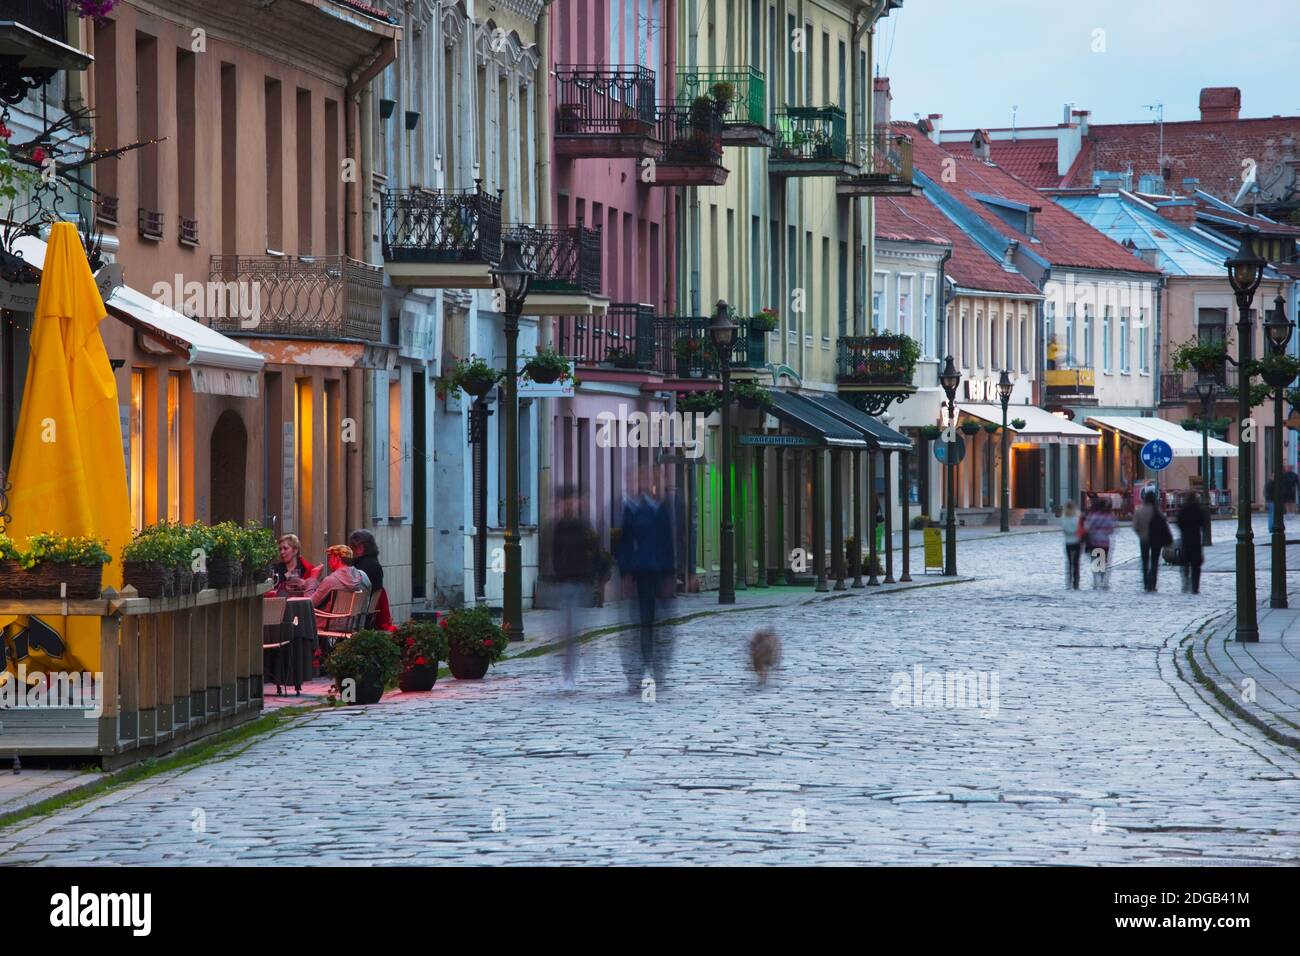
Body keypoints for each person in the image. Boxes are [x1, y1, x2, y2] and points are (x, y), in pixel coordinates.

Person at [615, 467, 676, 692]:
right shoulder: (633, 510)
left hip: (660, 573)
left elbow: (669, 544)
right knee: (642, 623)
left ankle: (659, 669)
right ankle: (638, 672)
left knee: (660, 625)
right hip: (641, 573)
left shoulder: (662, 510)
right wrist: (625, 573)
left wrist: (671, 575)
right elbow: (624, 544)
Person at [548, 485, 597, 691]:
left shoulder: (583, 525)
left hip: (579, 583)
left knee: (572, 631)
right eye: (566, 500)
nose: (569, 504)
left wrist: (591, 577)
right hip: (563, 584)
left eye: (572, 500)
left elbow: (593, 552)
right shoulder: (557, 526)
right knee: (566, 632)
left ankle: (570, 672)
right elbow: (552, 553)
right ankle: (566, 672)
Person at [348, 529, 393, 630]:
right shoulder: (375, 564)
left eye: (352, 548)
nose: (351, 552)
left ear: (360, 547)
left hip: (356, 617)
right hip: (369, 615)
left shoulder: (359, 567)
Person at [309, 544, 370, 610]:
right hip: (359, 619)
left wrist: (313, 578)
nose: (329, 562)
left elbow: (309, 604)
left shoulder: (331, 580)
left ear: (337, 559)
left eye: (330, 558)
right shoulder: (364, 576)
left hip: (331, 619)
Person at [1133, 490, 1172, 592]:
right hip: (1156, 540)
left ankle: (1146, 583)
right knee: (1154, 562)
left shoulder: (1139, 511)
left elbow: (1135, 526)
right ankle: (1153, 583)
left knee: (1145, 562)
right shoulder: (1157, 511)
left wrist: (1141, 534)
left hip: (1144, 539)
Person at [1177, 492, 1208, 594]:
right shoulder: (1198, 509)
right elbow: (1204, 524)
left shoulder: (1183, 509)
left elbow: (1179, 523)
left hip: (1185, 539)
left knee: (1185, 563)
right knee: (1196, 566)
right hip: (1196, 540)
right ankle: (1195, 587)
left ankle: (1185, 582)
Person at [269, 534, 318, 598]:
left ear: (295, 550)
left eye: (285, 548)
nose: (282, 552)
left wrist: (304, 584)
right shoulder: (275, 569)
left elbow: (314, 591)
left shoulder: (307, 569)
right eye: (280, 549)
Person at [1083, 497, 1116, 590]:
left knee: (1095, 560)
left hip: (1094, 541)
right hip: (1105, 542)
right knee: (1103, 560)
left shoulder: (1093, 516)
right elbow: (1111, 530)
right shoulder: (1108, 516)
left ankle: (1095, 579)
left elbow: (1088, 528)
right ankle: (1102, 578)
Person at [1060, 500, 1083, 589]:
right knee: (1076, 563)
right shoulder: (1077, 518)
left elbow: (1064, 529)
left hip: (1068, 542)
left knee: (1069, 562)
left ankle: (1068, 581)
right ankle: (1076, 583)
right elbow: (1079, 529)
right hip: (1076, 541)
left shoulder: (1064, 518)